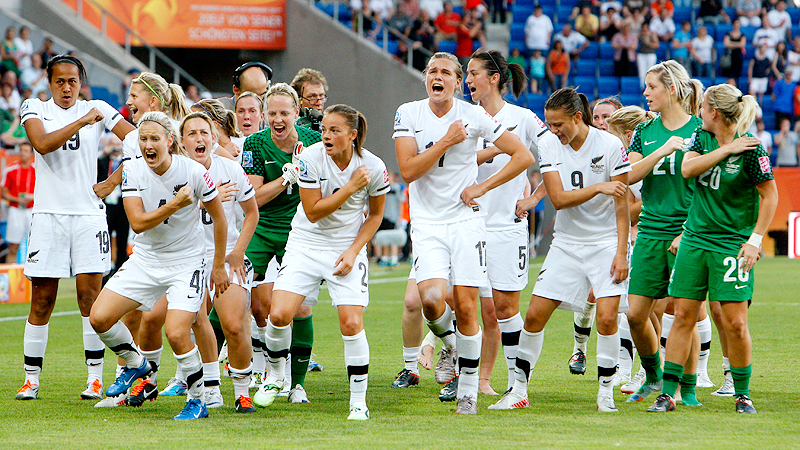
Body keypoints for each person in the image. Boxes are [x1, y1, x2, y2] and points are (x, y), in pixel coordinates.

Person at [394, 52, 534, 414]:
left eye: (446, 72)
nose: (436, 76)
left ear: (457, 83)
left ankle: (468, 391)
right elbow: (408, 171)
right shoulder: (408, 112)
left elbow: (522, 156)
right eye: (431, 71)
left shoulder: (474, 115)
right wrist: (446, 141)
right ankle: (451, 344)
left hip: (465, 222)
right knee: (430, 300)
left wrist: (481, 189)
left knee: (470, 306)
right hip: (427, 224)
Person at [489, 87, 631, 413]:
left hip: (606, 242)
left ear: (577, 118)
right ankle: (518, 390)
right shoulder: (551, 144)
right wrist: (598, 186)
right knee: (535, 314)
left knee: (608, 319)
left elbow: (622, 206)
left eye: (558, 124)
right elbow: (558, 198)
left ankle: (605, 392)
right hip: (566, 243)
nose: (553, 131)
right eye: (550, 125)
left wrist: (622, 252)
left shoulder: (610, 145)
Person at [89, 111, 228, 420]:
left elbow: (220, 217)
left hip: (186, 262)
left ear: (170, 141)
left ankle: (198, 400)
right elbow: (137, 223)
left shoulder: (193, 171)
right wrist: (176, 204)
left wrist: (218, 263)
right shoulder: (133, 171)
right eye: (143, 139)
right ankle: (137, 364)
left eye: (154, 139)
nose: (148, 145)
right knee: (99, 318)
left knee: (177, 333)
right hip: (146, 259)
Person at [648, 83, 778, 414]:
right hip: (695, 239)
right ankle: (667, 394)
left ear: (714, 112)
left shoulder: (754, 151)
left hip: (732, 244)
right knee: (683, 315)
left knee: (735, 322)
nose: (699, 112)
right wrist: (725, 150)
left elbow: (770, 196)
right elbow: (687, 169)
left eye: (702, 107)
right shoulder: (702, 139)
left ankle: (742, 394)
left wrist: (755, 239)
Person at [15, 55, 135, 402]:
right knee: (42, 300)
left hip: (88, 217)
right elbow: (42, 143)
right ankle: (31, 380)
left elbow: (140, 142)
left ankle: (95, 380)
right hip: (48, 216)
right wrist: (84, 121)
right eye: (60, 81)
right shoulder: (34, 108)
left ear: (81, 82)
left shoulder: (98, 107)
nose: (67, 88)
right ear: (48, 82)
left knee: (90, 300)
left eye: (73, 81)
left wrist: (113, 180)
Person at [260, 104, 389, 421]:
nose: (326, 135)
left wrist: (354, 250)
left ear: (352, 135)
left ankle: (358, 402)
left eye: (334, 130)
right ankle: (277, 376)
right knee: (278, 315)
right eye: (324, 129)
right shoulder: (309, 158)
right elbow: (314, 211)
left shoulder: (373, 166)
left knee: (351, 323)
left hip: (345, 248)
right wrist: (350, 187)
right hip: (306, 243)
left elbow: (374, 216)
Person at [622, 60, 705, 405]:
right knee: (636, 313)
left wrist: (688, 230)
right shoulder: (645, 131)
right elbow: (628, 176)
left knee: (683, 311)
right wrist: (662, 150)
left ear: (670, 89)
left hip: (687, 230)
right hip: (651, 229)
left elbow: (707, 187)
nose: (645, 93)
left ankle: (686, 387)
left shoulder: (703, 129)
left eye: (651, 87)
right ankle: (654, 375)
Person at [465, 49, 548, 395]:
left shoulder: (524, 118)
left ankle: (517, 384)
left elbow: (558, 159)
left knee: (504, 308)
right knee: (462, 304)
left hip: (506, 227)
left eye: (473, 73)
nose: (467, 80)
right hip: (466, 225)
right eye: (466, 74)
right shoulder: (462, 118)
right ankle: (465, 373)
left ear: (494, 78)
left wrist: (534, 197)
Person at [242, 83, 322, 406]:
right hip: (261, 229)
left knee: (299, 306)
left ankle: (297, 384)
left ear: (296, 114)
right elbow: (254, 197)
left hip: (299, 231)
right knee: (233, 295)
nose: (278, 119)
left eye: (284, 113)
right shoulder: (256, 143)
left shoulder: (315, 142)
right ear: (264, 116)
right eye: (272, 113)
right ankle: (208, 382)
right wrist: (286, 178)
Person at [181, 111, 259, 413]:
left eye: (205, 132)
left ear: (214, 138)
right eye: (192, 134)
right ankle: (204, 386)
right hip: (186, 259)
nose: (199, 138)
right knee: (165, 321)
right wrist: (204, 201)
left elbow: (252, 212)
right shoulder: (174, 170)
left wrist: (239, 250)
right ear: (181, 141)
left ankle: (242, 390)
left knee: (233, 324)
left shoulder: (230, 168)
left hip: (226, 259)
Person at [96, 137, 129, 274]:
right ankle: (103, 274)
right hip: (107, 206)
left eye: (118, 144)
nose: (116, 147)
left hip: (122, 207)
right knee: (105, 241)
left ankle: (121, 273)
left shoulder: (127, 162)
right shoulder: (103, 161)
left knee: (122, 242)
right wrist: (104, 153)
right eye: (113, 144)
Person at [2, 141, 35, 264]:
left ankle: (33, 278)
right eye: (21, 150)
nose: (23, 154)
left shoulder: (37, 171)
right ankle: (12, 278)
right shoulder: (10, 170)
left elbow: (45, 192)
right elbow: (4, 192)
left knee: (35, 245)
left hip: (32, 210)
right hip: (16, 209)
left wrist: (32, 197)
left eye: (26, 151)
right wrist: (17, 199)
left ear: (32, 154)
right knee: (13, 246)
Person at [638, 23, 660, 88]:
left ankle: (650, 85)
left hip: (650, 54)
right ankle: (642, 87)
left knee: (650, 71)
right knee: (642, 72)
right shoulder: (640, 34)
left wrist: (649, 43)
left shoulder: (652, 34)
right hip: (642, 54)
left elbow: (657, 45)